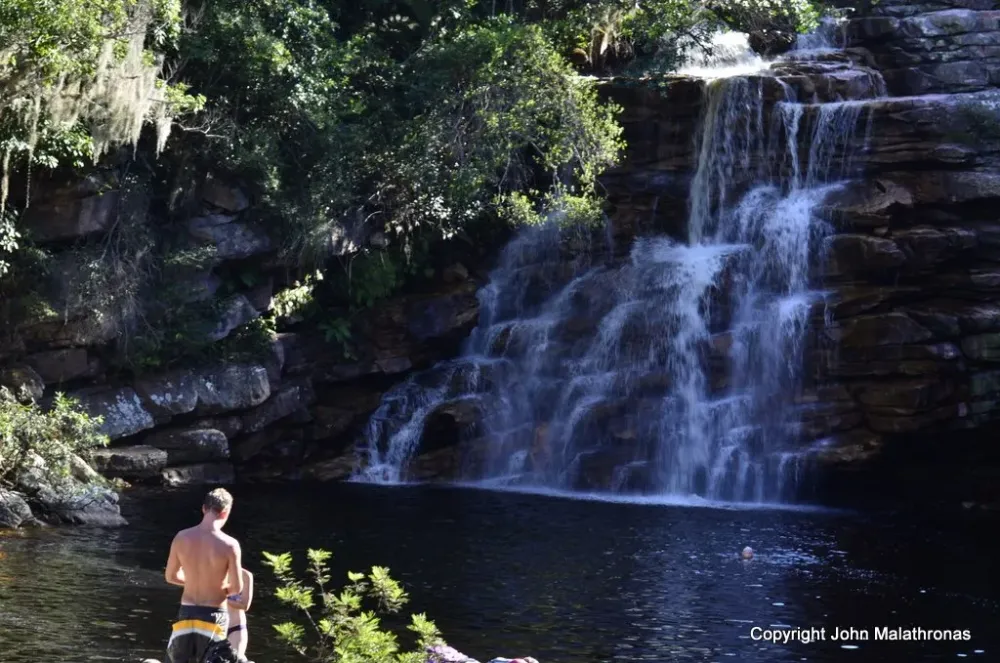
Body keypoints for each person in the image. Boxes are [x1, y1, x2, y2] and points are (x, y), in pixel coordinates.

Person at [164, 488, 244, 663]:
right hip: (214, 614)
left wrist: (192, 580)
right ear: (225, 513)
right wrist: (218, 586)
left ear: (203, 509)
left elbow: (170, 576)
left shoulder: (181, 537)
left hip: (187, 611)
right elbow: (237, 588)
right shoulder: (230, 545)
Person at [226, 568, 254, 663]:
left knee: (236, 658)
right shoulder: (211, 572)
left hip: (236, 627)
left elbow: (245, 605)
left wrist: (222, 599)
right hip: (214, 628)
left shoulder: (246, 576)